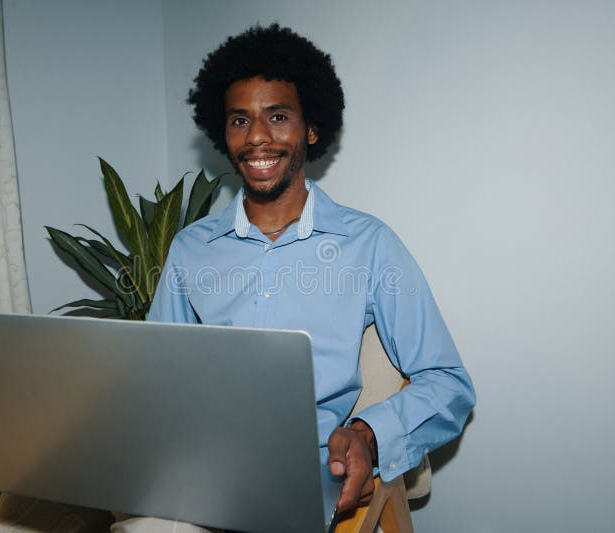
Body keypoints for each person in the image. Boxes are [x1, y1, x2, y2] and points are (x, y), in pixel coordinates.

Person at [113, 23, 476, 532]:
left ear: (310, 129)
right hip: (198, 464)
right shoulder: (191, 248)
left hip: (305, 470)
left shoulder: (369, 244)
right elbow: (151, 377)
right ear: (224, 134)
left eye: (277, 116)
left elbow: (448, 384)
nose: (257, 136)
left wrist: (368, 434)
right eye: (240, 120)